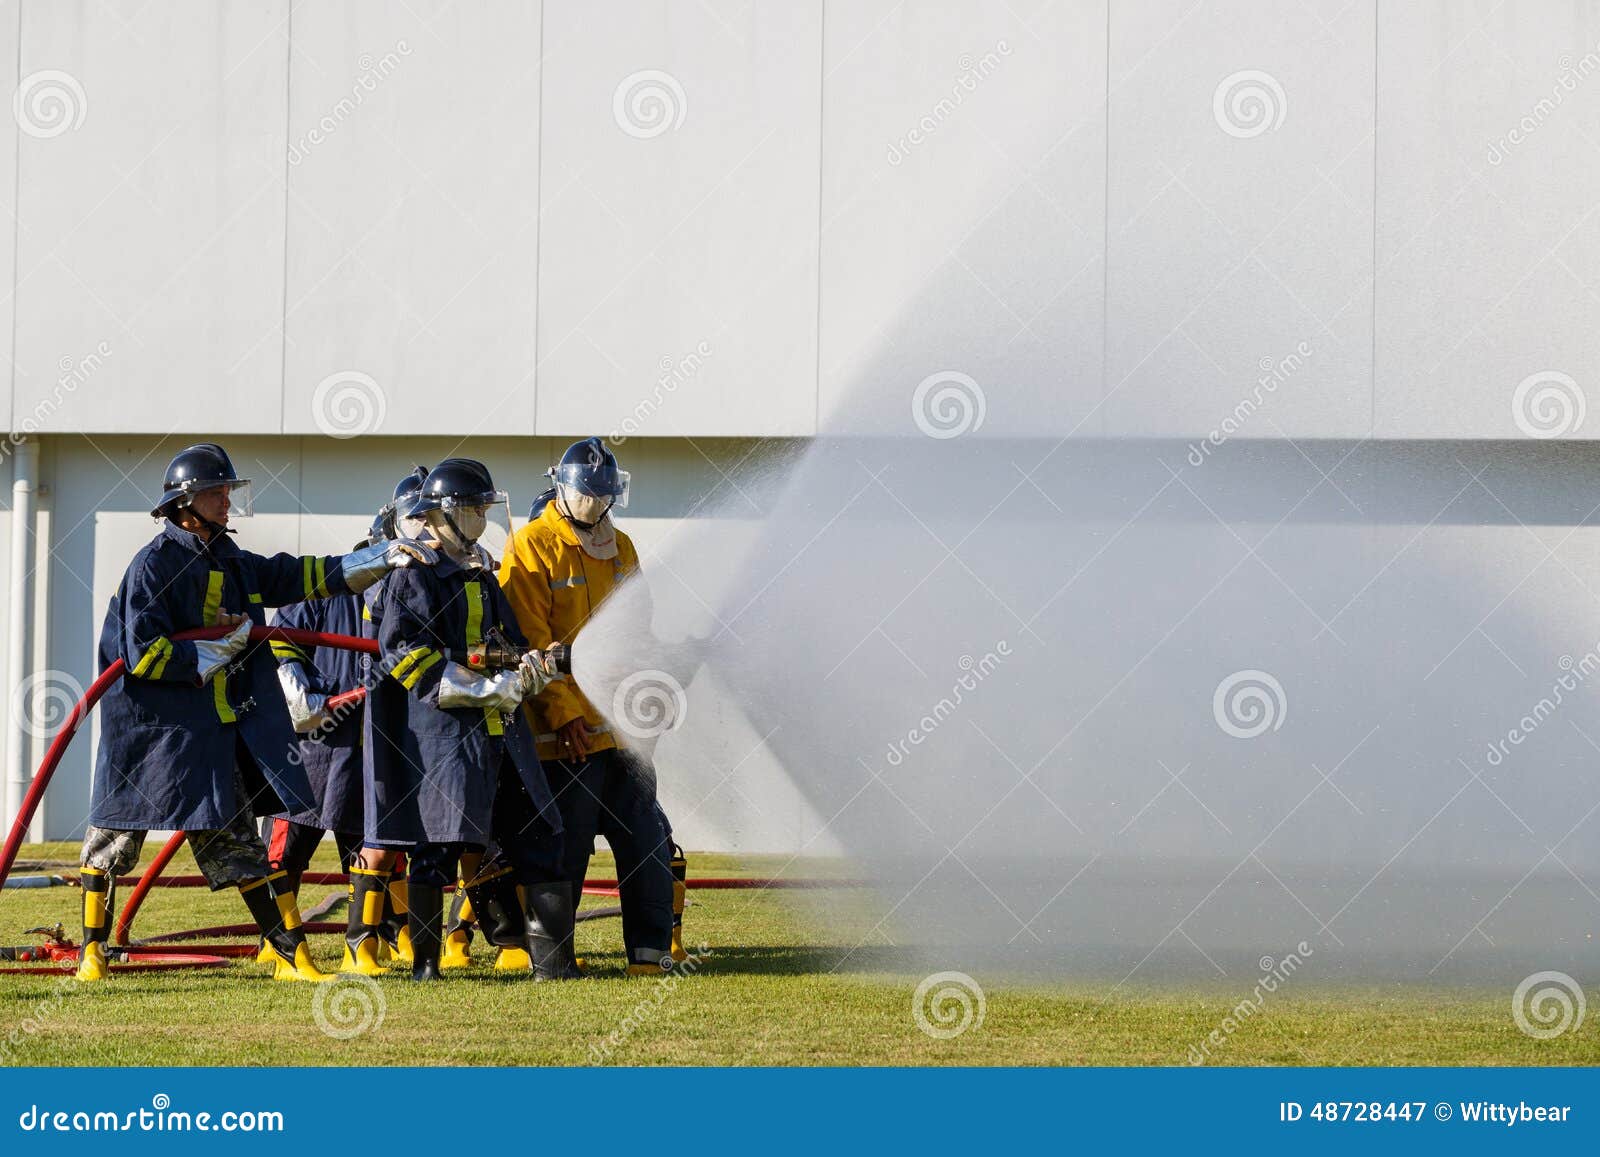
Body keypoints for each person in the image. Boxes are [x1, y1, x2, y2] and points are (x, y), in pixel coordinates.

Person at [76, 443, 438, 983]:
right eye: (217, 492)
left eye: (227, 491)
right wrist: (210, 651)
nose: (227, 501)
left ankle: (290, 956)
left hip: (211, 732)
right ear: (185, 503)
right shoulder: (154, 565)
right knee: (113, 841)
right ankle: (92, 954)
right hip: (151, 734)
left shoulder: (231, 559)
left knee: (238, 844)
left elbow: (301, 576)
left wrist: (378, 558)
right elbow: (140, 652)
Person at [348, 458, 568, 980]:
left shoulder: (480, 573)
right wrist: (490, 685)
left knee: (529, 831)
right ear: (445, 513)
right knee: (434, 845)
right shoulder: (415, 575)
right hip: (438, 737)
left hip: (496, 733)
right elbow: (407, 658)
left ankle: (549, 963)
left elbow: (508, 644)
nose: (482, 518)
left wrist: (531, 664)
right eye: (474, 508)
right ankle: (426, 964)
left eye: (484, 508)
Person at [499, 438, 680, 976]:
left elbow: (637, 632)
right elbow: (527, 646)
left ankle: (649, 957)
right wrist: (564, 713)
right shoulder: (531, 546)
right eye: (589, 497)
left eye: (606, 498)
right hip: (566, 738)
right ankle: (555, 962)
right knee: (565, 849)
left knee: (645, 838)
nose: (597, 508)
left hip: (622, 732)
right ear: (563, 488)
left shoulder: (622, 546)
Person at [262, 467, 430, 966]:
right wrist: (296, 688)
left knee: (378, 847)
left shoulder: (419, 590)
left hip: (373, 744)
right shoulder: (338, 582)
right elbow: (281, 639)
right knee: (286, 849)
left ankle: (387, 939)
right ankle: (277, 944)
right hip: (312, 746)